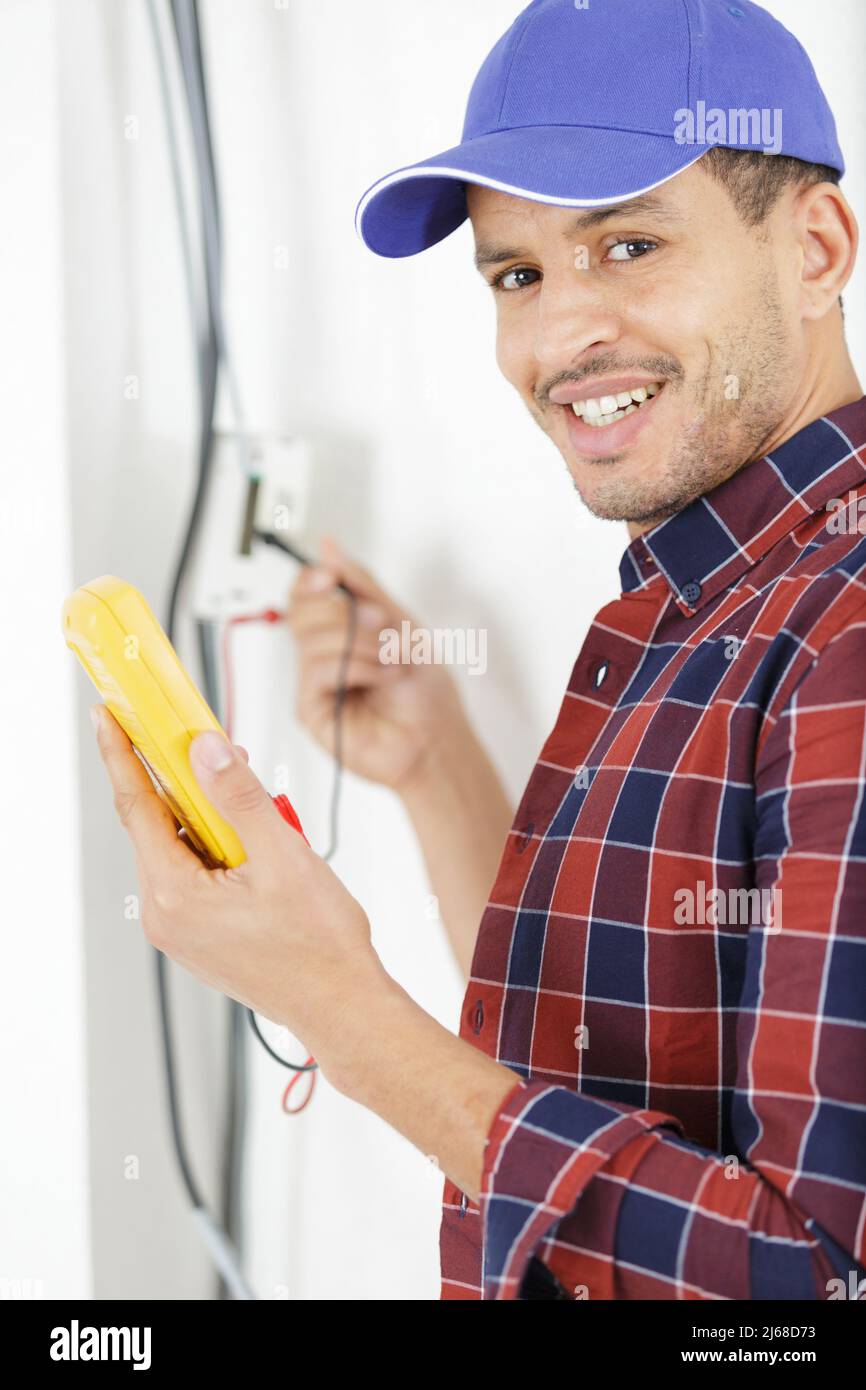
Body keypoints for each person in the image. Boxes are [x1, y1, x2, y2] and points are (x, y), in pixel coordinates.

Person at [93, 0, 866, 1299]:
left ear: (814, 248)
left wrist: (336, 1006)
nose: (557, 339)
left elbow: (810, 1279)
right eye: (517, 276)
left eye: (627, 244)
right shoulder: (712, 593)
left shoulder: (843, 625)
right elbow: (600, 1057)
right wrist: (432, 762)